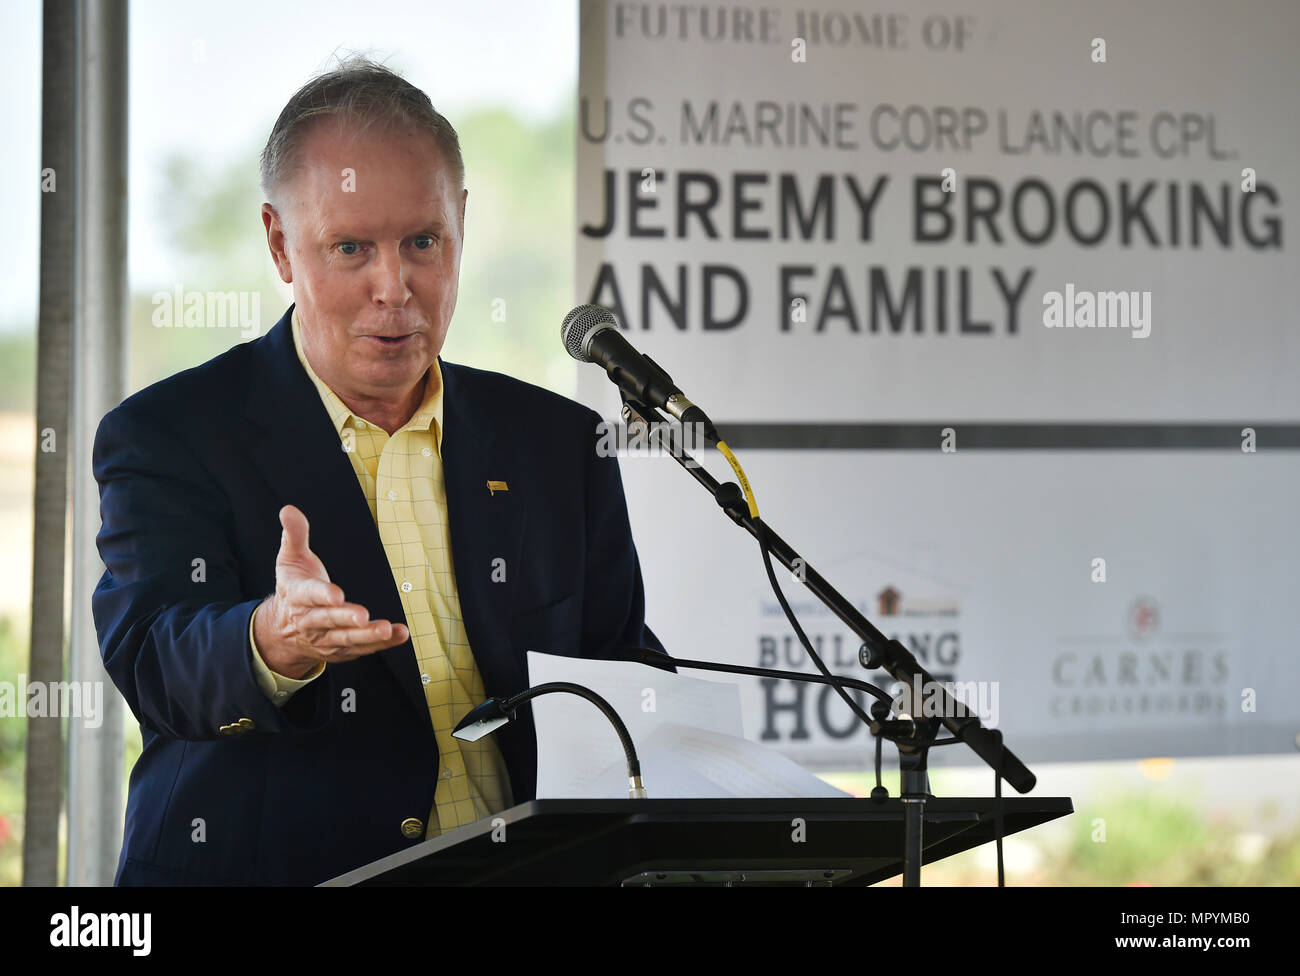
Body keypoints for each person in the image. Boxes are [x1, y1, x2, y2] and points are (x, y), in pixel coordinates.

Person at [91, 56, 665, 886]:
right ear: (280, 244)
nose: (393, 288)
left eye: (422, 242)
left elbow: (619, 666)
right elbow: (154, 657)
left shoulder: (558, 442)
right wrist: (271, 641)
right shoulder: (169, 435)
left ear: (461, 222)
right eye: (351, 247)